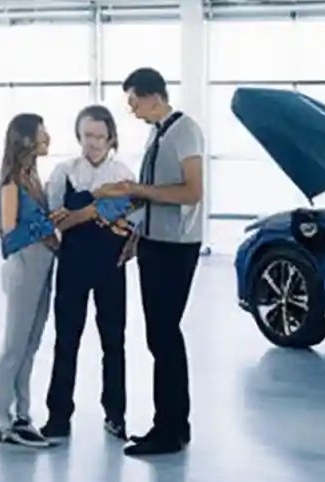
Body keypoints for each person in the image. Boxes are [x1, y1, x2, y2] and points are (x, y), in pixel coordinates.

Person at [96, 66, 204, 457]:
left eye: (133, 101)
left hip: (176, 247)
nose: (132, 110)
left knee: (164, 335)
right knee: (160, 335)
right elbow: (152, 197)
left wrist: (135, 188)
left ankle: (169, 430)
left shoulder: (185, 131)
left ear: (153, 96)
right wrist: (135, 237)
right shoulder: (157, 135)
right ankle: (175, 422)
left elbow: (192, 191)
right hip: (154, 244)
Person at [38, 105, 135, 444]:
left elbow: (130, 221)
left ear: (111, 138)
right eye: (86, 136)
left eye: (98, 136)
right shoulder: (64, 171)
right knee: (66, 341)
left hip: (111, 266)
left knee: (114, 343)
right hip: (73, 263)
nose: (92, 143)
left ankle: (116, 415)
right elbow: (56, 221)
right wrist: (97, 210)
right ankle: (58, 417)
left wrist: (82, 210)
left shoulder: (123, 173)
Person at [0, 112, 57, 448]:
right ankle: (4, 423)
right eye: (43, 133)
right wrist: (48, 227)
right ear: (26, 139)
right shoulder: (12, 183)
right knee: (14, 347)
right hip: (24, 267)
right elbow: (9, 236)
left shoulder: (34, 178)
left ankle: (23, 416)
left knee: (31, 345)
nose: (48, 138)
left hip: (44, 267)